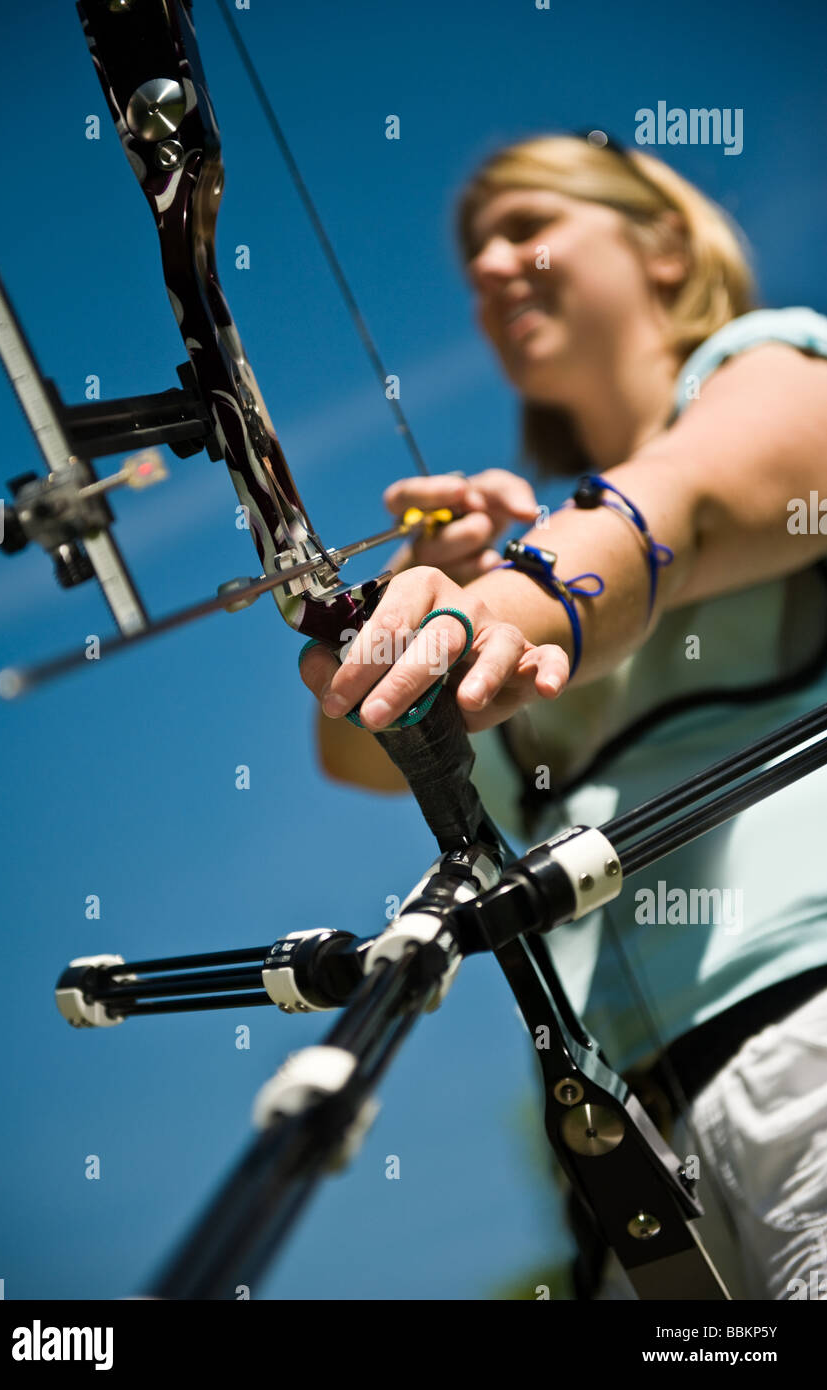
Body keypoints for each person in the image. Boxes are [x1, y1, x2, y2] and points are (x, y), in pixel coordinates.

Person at [298, 133, 827, 1300]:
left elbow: (681, 507)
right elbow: (360, 753)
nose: (489, 268)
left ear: (665, 244)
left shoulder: (778, 365)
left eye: (528, 226)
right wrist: (406, 606)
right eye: (472, 253)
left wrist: (499, 598)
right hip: (630, 1169)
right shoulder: (518, 552)